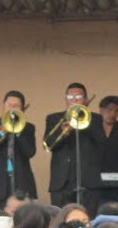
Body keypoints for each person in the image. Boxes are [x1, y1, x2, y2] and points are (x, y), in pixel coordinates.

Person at [43, 84, 103, 216]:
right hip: (61, 183)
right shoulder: (54, 119)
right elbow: (47, 145)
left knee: (89, 220)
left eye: (78, 96)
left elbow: (102, 143)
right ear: (66, 99)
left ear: (86, 100)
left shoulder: (96, 119)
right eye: (70, 96)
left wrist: (83, 123)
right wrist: (63, 133)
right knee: (59, 221)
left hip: (89, 182)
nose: (74, 100)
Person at [0, 91, 38, 211]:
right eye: (9, 104)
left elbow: (29, 152)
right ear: (3, 106)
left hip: (22, 183)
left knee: (24, 222)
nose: (12, 108)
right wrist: (1, 132)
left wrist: (18, 131)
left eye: (16, 105)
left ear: (22, 109)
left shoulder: (28, 128)